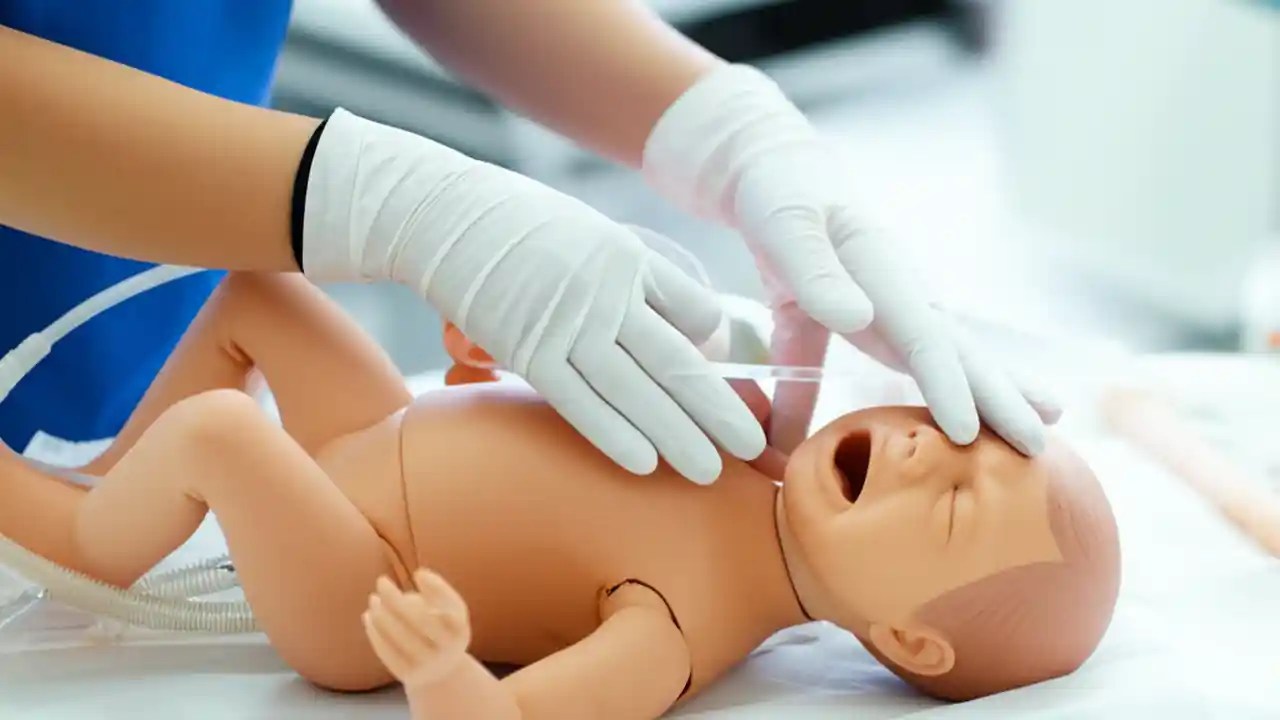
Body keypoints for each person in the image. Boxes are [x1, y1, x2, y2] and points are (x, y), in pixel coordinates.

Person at [0, 1, 1057, 485]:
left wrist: (726, 133)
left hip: (146, 428)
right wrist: (389, 203)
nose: (921, 458)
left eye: (960, 515)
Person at [0, 272, 1119, 718]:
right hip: (377, 432)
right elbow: (572, 428)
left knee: (223, 434)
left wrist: (440, 666)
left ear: (905, 643)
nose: (922, 458)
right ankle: (113, 487)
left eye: (951, 508)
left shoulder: (679, 629)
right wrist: (500, 363)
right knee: (262, 292)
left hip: (364, 585)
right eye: (944, 432)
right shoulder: (735, 442)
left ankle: (83, 538)